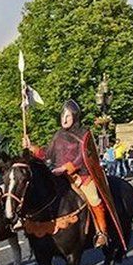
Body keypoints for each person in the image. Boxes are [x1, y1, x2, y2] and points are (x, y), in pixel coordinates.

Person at [22, 99, 121, 248]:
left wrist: (66, 167)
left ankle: (102, 232)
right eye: (63, 116)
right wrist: (32, 148)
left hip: (81, 176)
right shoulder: (58, 135)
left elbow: (83, 156)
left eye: (68, 116)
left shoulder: (84, 134)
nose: (64, 119)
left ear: (75, 116)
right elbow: (47, 155)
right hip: (60, 176)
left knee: (94, 199)